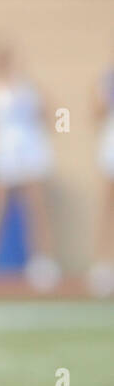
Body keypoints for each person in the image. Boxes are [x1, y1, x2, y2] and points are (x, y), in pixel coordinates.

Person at [0, 42, 58, 295]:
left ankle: (42, 262)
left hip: (29, 152)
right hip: (1, 154)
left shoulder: (28, 87)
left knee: (36, 209)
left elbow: (48, 113)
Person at [92, 56, 114, 297]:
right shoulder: (108, 78)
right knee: (108, 207)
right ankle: (103, 265)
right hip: (111, 145)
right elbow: (96, 112)